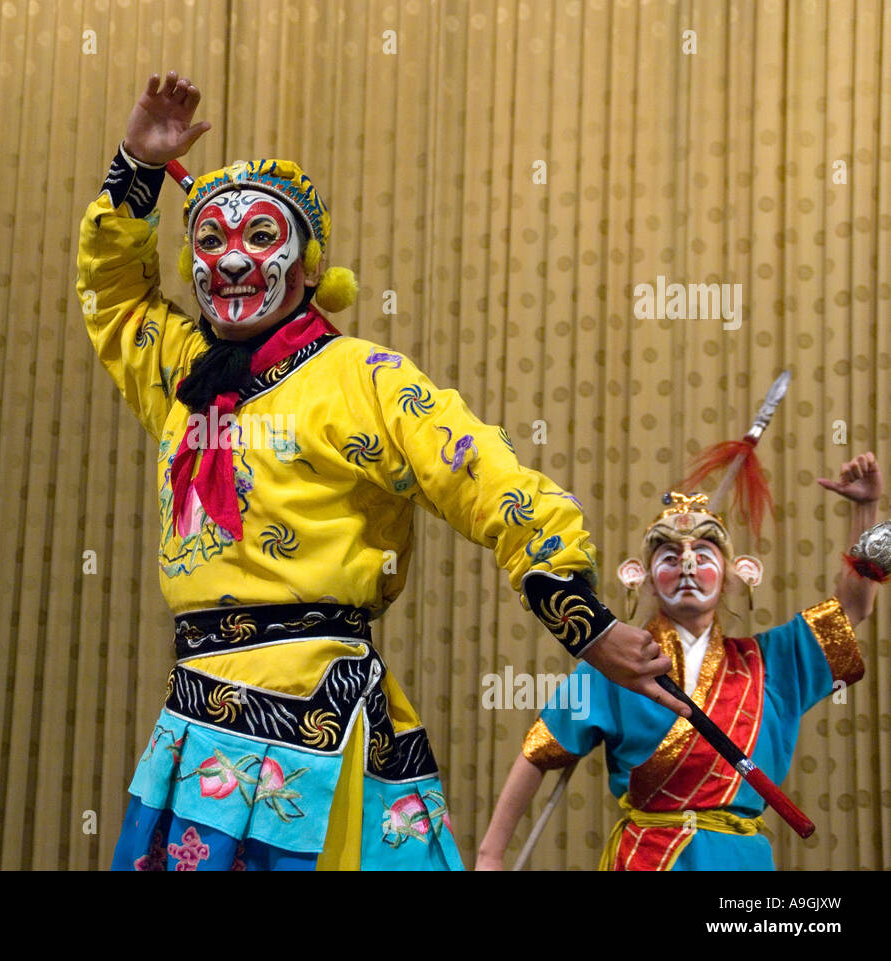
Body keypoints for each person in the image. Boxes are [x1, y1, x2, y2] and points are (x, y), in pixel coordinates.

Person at [78, 71, 685, 870]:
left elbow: (486, 477)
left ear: (306, 260)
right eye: (211, 241)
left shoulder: (363, 378)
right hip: (195, 717)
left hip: (317, 719)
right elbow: (115, 296)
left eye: (261, 237)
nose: (231, 261)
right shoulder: (184, 375)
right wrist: (138, 165)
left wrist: (586, 621)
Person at [476, 454, 879, 871]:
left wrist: (865, 508)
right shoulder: (611, 668)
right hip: (646, 858)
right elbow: (538, 753)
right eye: (669, 557)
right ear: (644, 577)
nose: (687, 566)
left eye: (704, 555)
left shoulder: (772, 662)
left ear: (732, 574)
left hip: (738, 859)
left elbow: (854, 606)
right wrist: (492, 855)